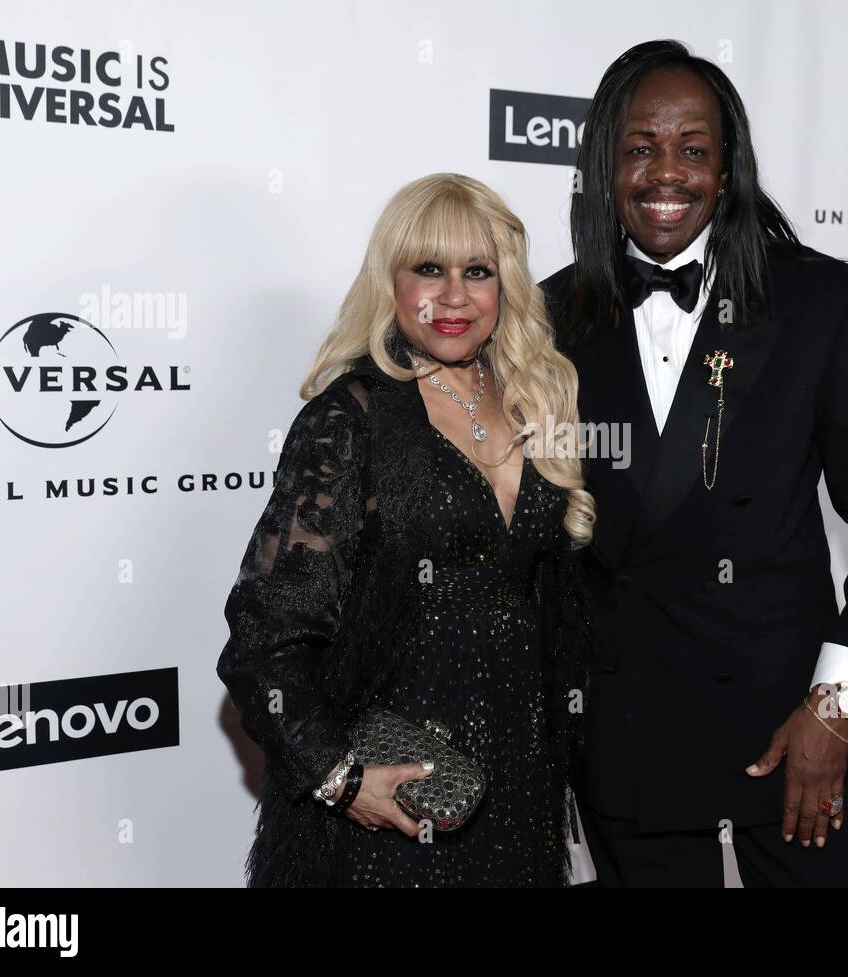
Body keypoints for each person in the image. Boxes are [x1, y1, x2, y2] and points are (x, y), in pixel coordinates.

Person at [540, 40, 848, 887]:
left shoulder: (819, 302)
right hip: (627, 735)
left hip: (790, 726)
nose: (667, 174)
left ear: (727, 171)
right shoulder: (549, 315)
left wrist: (835, 713)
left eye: (694, 149)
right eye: (640, 148)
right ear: (604, 165)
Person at [218, 173, 594, 887]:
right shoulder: (351, 418)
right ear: (389, 281)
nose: (453, 296)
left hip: (521, 789)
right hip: (395, 797)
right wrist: (340, 776)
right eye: (429, 268)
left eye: (477, 271)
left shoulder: (535, 401)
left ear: (505, 285)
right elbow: (263, 638)